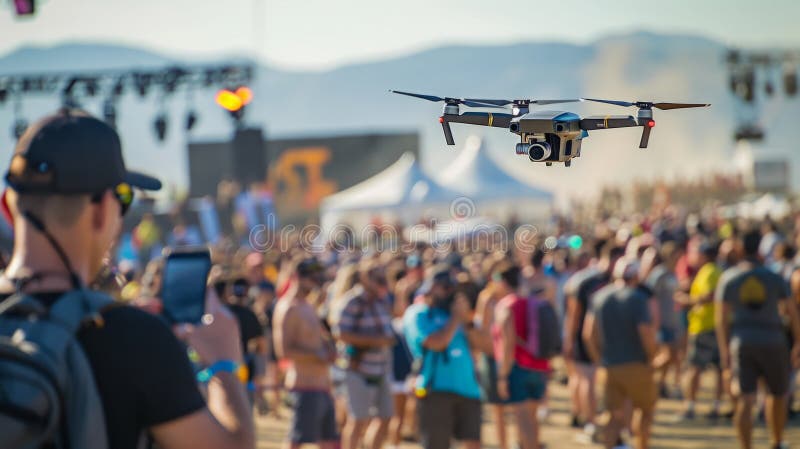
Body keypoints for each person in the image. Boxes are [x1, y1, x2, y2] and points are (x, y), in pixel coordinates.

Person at [0, 110, 255, 449]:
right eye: (123, 199)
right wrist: (225, 362)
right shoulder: (136, 339)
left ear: (8, 205)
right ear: (102, 210)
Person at [715, 230, 800, 449]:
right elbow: (792, 312)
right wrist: (798, 342)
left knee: (745, 397)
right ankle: (777, 441)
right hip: (773, 340)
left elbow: (721, 319)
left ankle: (746, 446)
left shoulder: (729, 277)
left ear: (740, 249)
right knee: (777, 394)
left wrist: (724, 351)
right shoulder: (774, 277)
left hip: (742, 341)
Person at [403, 266, 484, 449]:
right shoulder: (419, 313)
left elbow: (484, 347)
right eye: (445, 287)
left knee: (473, 443)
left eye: (452, 288)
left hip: (469, 389)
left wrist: (468, 322)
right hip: (434, 389)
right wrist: (455, 318)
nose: (450, 292)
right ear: (430, 288)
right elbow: (436, 343)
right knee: (437, 444)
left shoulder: (462, 316)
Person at [583, 258, 657, 449]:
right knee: (645, 411)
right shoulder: (637, 298)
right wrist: (652, 358)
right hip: (637, 365)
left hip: (609, 366)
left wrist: (599, 360)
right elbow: (646, 332)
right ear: (636, 276)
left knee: (612, 415)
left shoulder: (599, 297)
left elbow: (588, 334)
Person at [272, 258, 339, 449]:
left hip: (323, 386)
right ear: (296, 277)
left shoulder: (308, 306)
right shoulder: (288, 307)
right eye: (310, 275)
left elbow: (317, 339)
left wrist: (329, 349)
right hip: (304, 386)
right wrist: (317, 355)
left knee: (331, 442)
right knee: (297, 440)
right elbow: (283, 351)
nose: (315, 280)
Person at [564, 242, 624, 437]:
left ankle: (585, 416)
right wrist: (570, 339)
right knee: (586, 378)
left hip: (609, 338)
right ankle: (588, 420)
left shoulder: (618, 281)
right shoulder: (586, 281)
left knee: (589, 379)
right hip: (585, 336)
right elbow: (574, 313)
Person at [334, 260, 396, 449]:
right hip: (358, 369)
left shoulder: (382, 301)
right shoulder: (352, 301)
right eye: (377, 277)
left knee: (385, 417)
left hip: (381, 368)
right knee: (358, 420)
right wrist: (375, 341)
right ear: (364, 278)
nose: (381, 281)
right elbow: (341, 334)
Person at [493, 264, 549, 449]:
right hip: (538, 365)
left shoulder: (506, 305)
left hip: (518, 367)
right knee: (532, 418)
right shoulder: (530, 301)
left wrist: (502, 375)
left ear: (503, 282)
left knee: (522, 417)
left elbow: (508, 342)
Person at [680, 242, 726, 420]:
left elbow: (709, 295)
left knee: (694, 367)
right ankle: (716, 405)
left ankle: (690, 406)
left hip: (704, 327)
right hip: (713, 326)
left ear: (704, 255)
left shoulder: (709, 271)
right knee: (719, 369)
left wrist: (686, 300)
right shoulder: (716, 271)